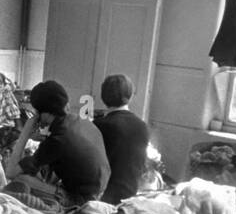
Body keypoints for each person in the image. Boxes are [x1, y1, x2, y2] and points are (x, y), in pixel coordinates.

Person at [13, 80, 110, 205]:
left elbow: (11, 172)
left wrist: (25, 132)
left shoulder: (58, 139)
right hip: (100, 192)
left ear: (43, 113)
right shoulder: (82, 122)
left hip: (82, 200)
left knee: (21, 180)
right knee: (42, 172)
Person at [94, 73, 152, 204]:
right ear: (131, 96)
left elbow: (92, 166)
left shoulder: (100, 125)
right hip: (131, 193)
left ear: (103, 97)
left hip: (104, 196)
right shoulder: (142, 126)